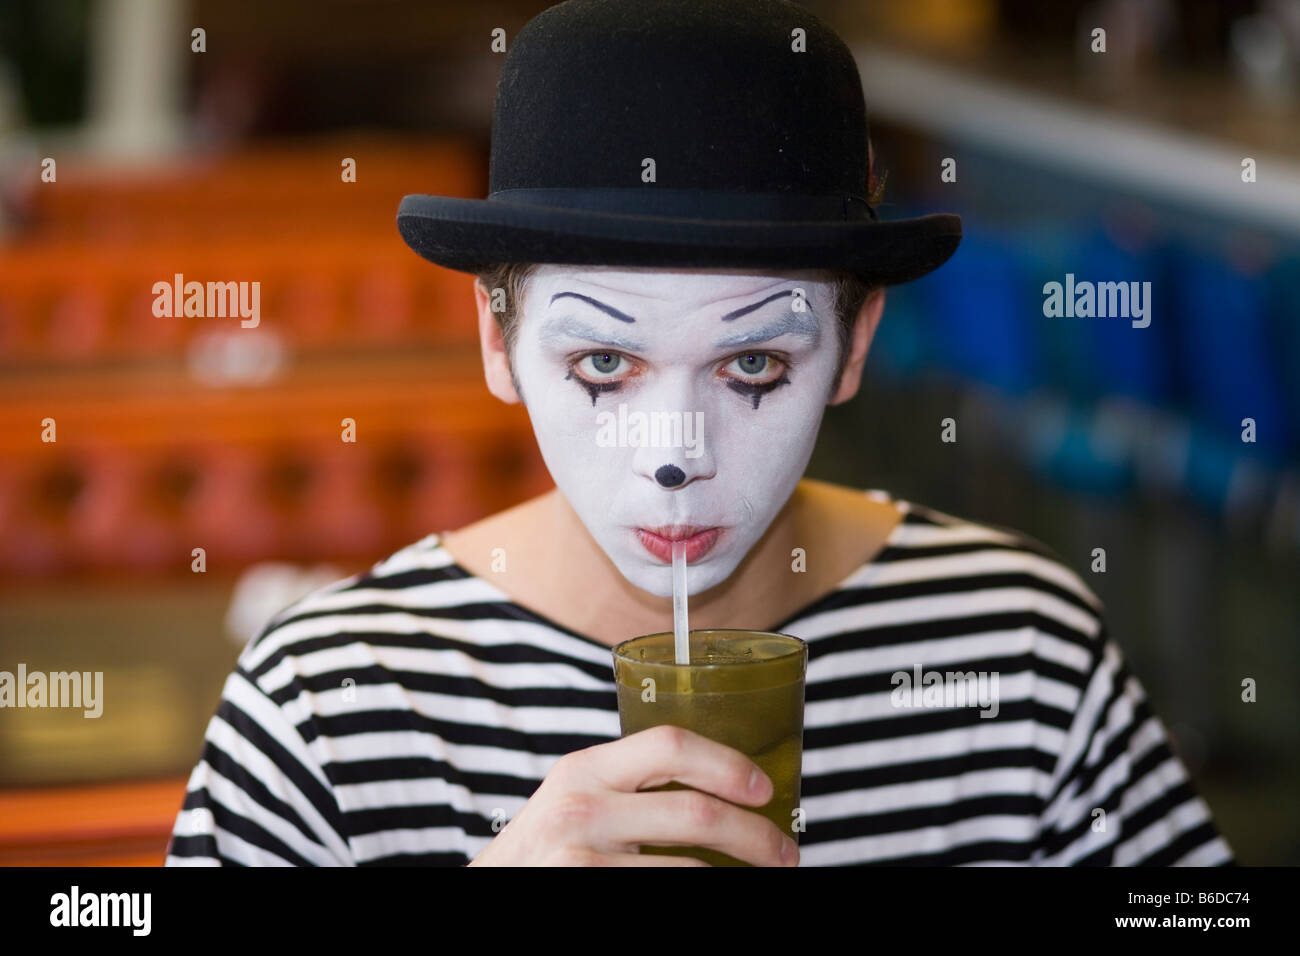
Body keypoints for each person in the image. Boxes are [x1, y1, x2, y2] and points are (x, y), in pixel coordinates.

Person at [166, 0, 1233, 866]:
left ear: (855, 345)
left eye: (754, 363)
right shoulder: (326, 701)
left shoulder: (1020, 647)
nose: (678, 448)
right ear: (497, 343)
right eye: (601, 363)